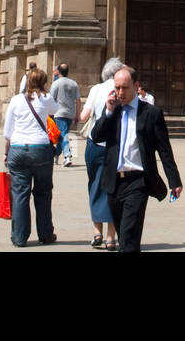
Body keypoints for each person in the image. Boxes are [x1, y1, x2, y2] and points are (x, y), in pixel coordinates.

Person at [91, 66, 182, 254]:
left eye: (125, 88)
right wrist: (107, 112)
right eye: (117, 88)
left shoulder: (151, 113)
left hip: (138, 181)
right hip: (114, 182)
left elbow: (164, 149)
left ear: (136, 85)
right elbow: (96, 136)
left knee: (129, 236)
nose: (120, 93)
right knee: (124, 236)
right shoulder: (112, 111)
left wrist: (174, 180)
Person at [2, 67, 58, 247]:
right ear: (43, 82)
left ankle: (19, 237)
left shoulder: (16, 100)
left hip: (18, 149)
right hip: (41, 149)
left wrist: (6, 153)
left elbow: (8, 131)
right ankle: (46, 234)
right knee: (43, 193)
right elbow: (55, 110)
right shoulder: (46, 98)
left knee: (20, 194)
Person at [79, 56, 125, 249]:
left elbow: (83, 117)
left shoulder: (95, 89)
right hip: (114, 146)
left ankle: (96, 232)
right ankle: (110, 237)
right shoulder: (122, 91)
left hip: (94, 145)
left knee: (95, 186)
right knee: (113, 189)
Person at [50, 63, 79, 166]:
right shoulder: (74, 83)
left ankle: (67, 156)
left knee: (63, 135)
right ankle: (56, 155)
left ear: (59, 71)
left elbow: (51, 99)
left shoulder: (56, 83)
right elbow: (78, 100)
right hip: (70, 114)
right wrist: (77, 114)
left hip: (59, 113)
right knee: (62, 135)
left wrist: (49, 113)